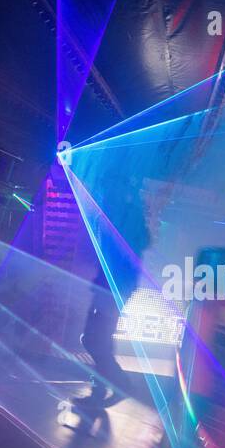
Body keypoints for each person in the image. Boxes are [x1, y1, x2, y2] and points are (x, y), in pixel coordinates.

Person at [73, 176, 151, 411]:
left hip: (114, 288)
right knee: (96, 339)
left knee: (95, 339)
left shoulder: (126, 218)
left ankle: (118, 385)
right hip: (110, 287)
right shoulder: (120, 217)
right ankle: (105, 389)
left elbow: (132, 247)